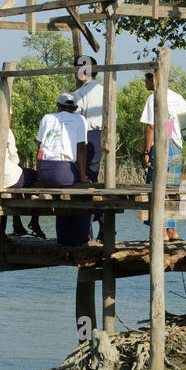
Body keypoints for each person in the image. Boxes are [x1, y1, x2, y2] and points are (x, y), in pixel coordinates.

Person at [139, 70, 186, 241]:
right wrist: (176, 135)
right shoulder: (177, 97)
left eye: (146, 78)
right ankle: (172, 231)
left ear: (153, 79)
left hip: (161, 146)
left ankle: (160, 231)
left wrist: (147, 152)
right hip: (176, 145)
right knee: (170, 188)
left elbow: (150, 128)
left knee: (155, 188)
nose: (145, 81)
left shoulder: (153, 98)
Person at [35, 92, 92, 245]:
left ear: (58, 106)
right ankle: (82, 238)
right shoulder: (80, 119)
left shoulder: (47, 118)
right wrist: (82, 176)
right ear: (75, 108)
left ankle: (63, 237)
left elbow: (39, 146)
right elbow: (81, 148)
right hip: (63, 171)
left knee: (64, 193)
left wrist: (39, 173)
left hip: (46, 169)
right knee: (85, 195)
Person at [72, 57, 105, 242]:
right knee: (93, 178)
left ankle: (91, 229)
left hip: (87, 136)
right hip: (102, 135)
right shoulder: (106, 91)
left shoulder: (80, 94)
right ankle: (99, 223)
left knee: (84, 181)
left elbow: (76, 121)